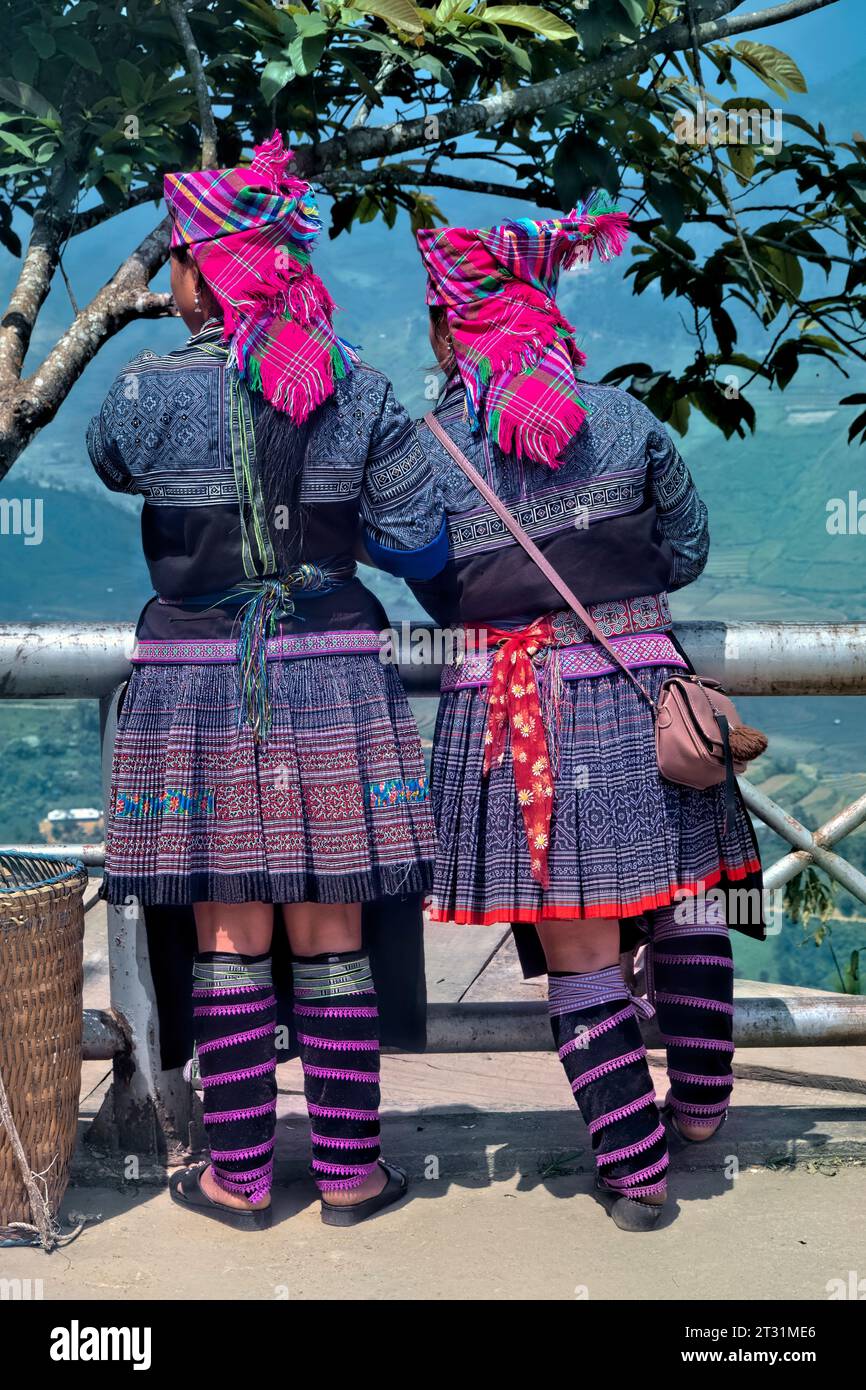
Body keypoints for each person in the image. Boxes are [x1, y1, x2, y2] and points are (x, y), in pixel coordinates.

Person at [86, 132, 447, 1230]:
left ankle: (238, 1176)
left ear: (199, 273)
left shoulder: (145, 391)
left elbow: (111, 462)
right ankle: (349, 1175)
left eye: (178, 265)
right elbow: (419, 540)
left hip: (196, 681)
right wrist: (325, 539)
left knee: (227, 932)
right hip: (332, 673)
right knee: (332, 931)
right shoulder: (361, 387)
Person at [409, 196, 765, 1231]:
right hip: (645, 694)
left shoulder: (429, 449)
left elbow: (434, 584)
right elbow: (686, 550)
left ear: (445, 322)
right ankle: (701, 1109)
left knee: (578, 949)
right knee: (689, 901)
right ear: (547, 305)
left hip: (515, 710)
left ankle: (637, 1176)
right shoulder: (626, 418)